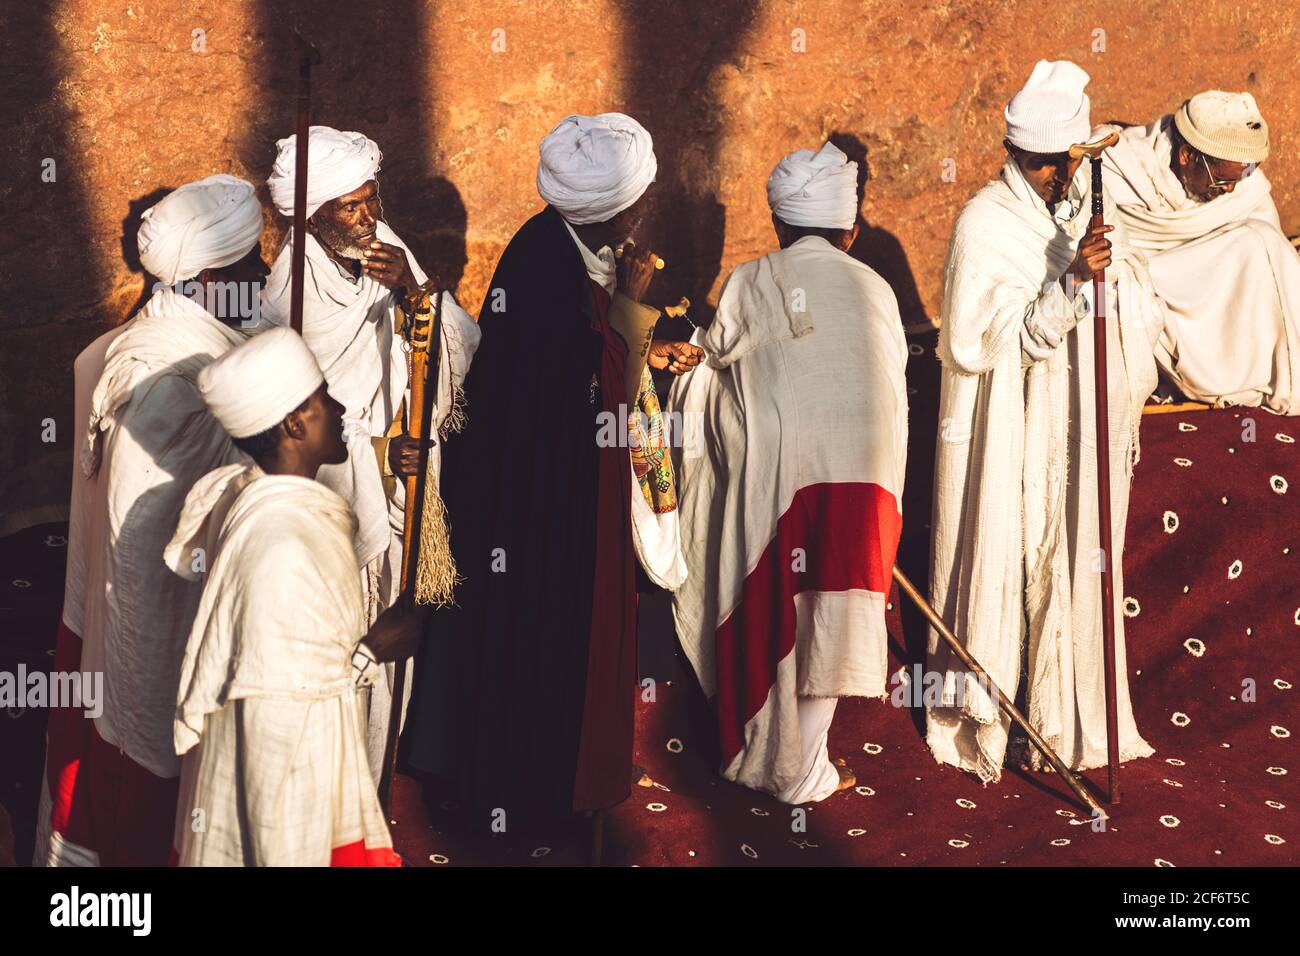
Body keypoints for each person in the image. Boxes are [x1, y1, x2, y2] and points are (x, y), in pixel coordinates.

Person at [403, 113, 702, 825]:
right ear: (614, 209)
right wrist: (632, 311)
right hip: (552, 503)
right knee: (552, 635)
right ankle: (547, 781)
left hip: (551, 486)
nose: (644, 209)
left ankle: (556, 766)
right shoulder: (545, 274)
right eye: (639, 200)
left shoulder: (557, 245)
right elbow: (595, 392)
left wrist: (643, 342)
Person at [927, 60, 1166, 782]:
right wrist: (1069, 286)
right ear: (1022, 160)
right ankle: (1005, 712)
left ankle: (1068, 720)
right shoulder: (984, 226)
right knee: (1020, 557)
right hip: (1015, 436)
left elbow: (1127, 299)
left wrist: (1110, 281)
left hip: (1079, 428)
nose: (1063, 179)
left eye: (1068, 165)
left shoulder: (1080, 211)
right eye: (1051, 168)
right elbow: (994, 343)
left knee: (1075, 563)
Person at [34, 175, 268, 866]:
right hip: (159, 620)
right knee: (154, 763)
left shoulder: (147, 342)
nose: (263, 269)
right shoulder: (170, 385)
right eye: (251, 259)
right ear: (206, 274)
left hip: (128, 612)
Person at [669, 142, 908, 803]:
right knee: (835, 602)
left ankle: (769, 753)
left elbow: (715, 364)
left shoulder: (752, 279)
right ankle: (804, 762)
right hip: (866, 478)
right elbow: (892, 391)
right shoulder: (877, 289)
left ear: (778, 223)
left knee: (779, 603)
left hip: (782, 481)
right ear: (850, 230)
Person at [263, 126, 481, 779]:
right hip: (338, 485)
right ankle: (337, 775)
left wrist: (412, 294)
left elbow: (453, 338)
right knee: (343, 628)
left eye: (371, 199)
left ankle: (381, 765)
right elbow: (294, 409)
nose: (370, 217)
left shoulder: (387, 249)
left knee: (393, 619)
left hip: (398, 466)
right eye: (351, 207)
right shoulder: (289, 289)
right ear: (311, 214)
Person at [164, 327, 424, 866]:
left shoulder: (273, 504)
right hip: (282, 824)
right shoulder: (277, 545)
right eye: (325, 396)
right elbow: (273, 725)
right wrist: (373, 649)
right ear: (293, 422)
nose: (339, 406)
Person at [1100, 90, 1299, 414]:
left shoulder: (1242, 181)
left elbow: (1270, 273)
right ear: (1187, 156)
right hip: (1152, 294)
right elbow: (1113, 258)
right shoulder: (1120, 170)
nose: (1232, 190)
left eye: (1241, 177)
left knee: (1263, 244)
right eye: (1221, 181)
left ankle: (1257, 373)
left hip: (1223, 309)